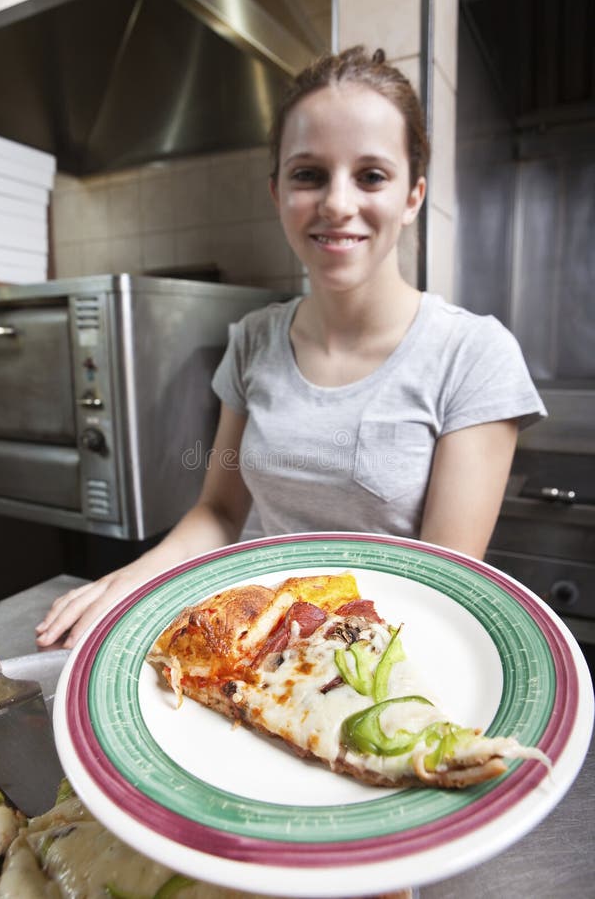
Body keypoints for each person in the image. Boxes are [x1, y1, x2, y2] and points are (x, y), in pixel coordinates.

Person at [36, 45, 545, 651]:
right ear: (277, 192)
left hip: (380, 656)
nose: (336, 203)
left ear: (412, 196)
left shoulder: (473, 355)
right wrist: (137, 578)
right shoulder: (254, 340)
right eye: (308, 174)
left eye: (372, 175)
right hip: (247, 638)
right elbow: (221, 511)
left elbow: (441, 585)